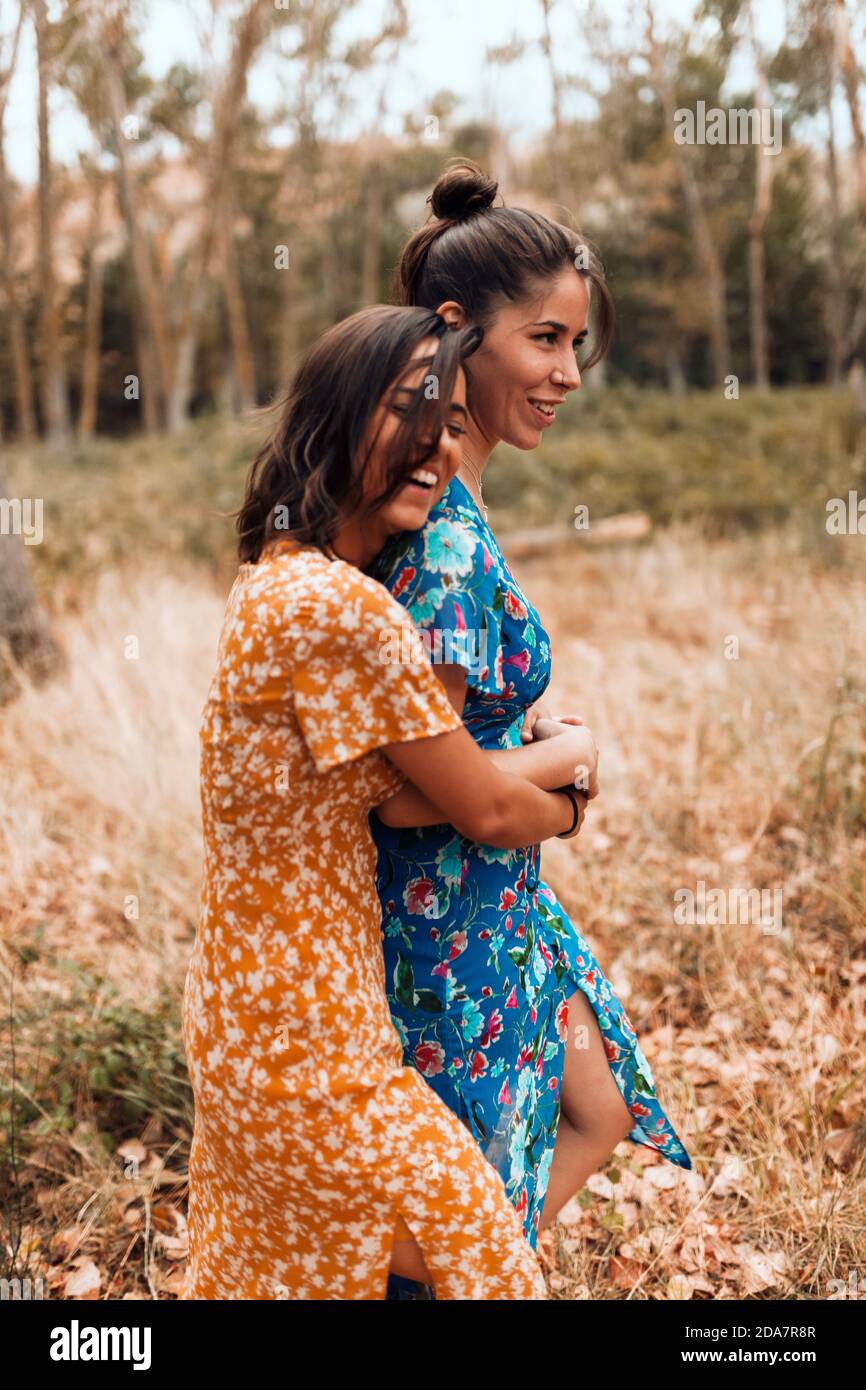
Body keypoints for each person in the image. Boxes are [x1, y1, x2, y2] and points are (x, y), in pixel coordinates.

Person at [180, 304, 592, 1300]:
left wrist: (525, 772)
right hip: (313, 1059)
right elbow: (482, 808)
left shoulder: (273, 582)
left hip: (247, 1024)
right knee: (492, 1266)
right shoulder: (340, 611)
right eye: (408, 409)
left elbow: (417, 784)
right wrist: (571, 785)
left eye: (449, 419)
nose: (432, 444)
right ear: (334, 416)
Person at [370, 162, 692, 1298]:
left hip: (502, 901)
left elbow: (447, 730)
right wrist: (564, 759)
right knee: (456, 1193)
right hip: (443, 924)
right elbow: (407, 790)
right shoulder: (441, 537)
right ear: (457, 331)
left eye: (574, 345)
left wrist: (534, 726)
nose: (565, 373)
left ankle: (472, 1272)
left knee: (594, 1111)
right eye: (543, 341)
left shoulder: (451, 499)